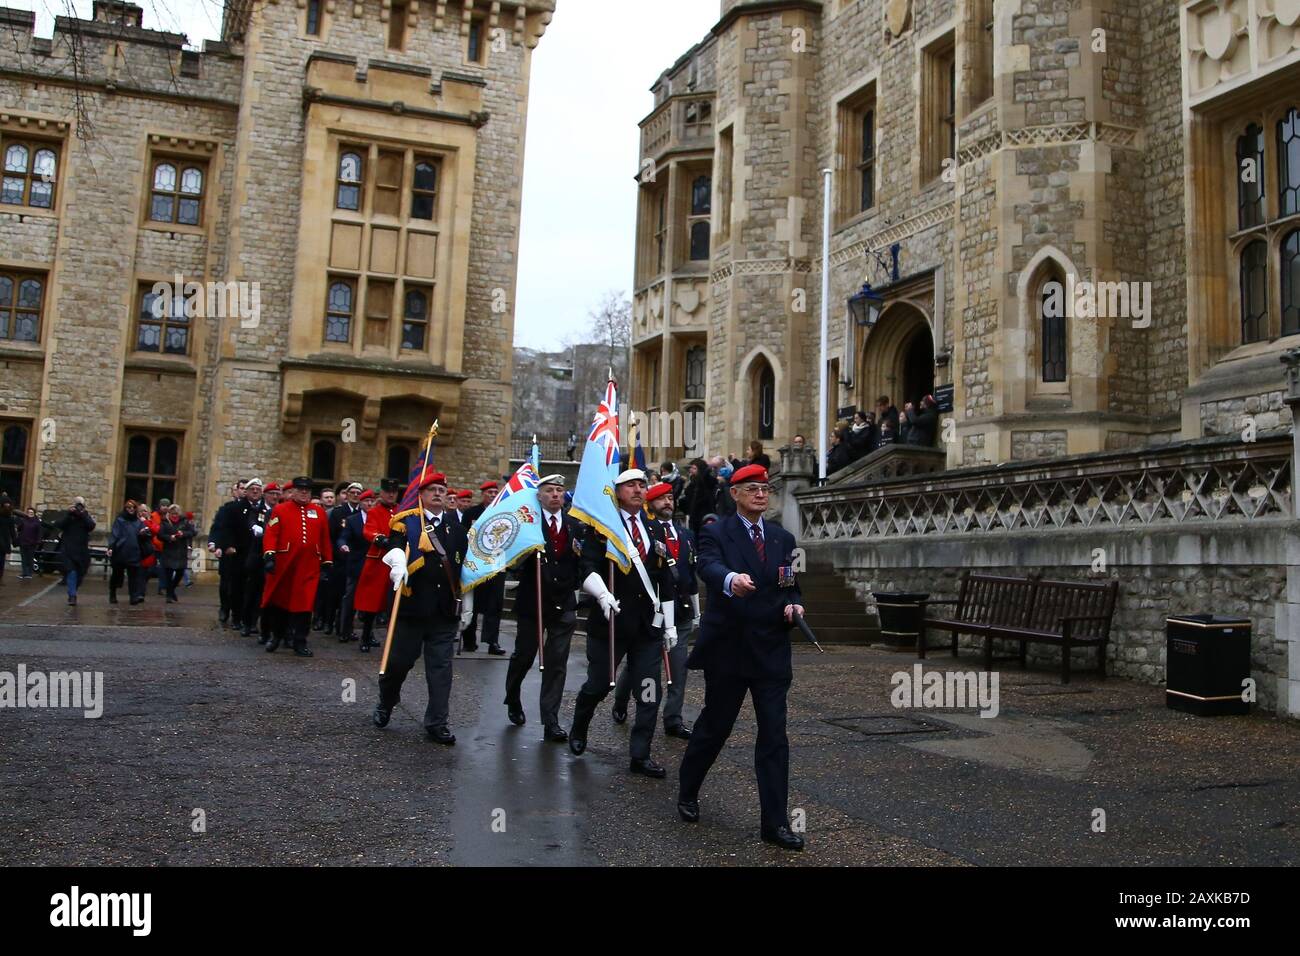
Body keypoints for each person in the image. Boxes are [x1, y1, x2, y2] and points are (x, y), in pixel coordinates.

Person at [677, 464, 806, 851]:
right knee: (716, 726)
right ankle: (688, 789)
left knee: (773, 736)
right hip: (730, 649)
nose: (762, 495)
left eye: (766, 489)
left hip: (770, 651)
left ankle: (775, 823)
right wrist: (732, 581)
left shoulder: (782, 538)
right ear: (734, 494)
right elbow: (709, 567)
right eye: (753, 489)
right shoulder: (716, 531)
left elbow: (790, 584)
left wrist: (794, 607)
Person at [566, 468, 678, 778]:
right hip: (610, 624)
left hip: (647, 628)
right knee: (598, 685)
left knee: (648, 692)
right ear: (617, 492)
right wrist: (601, 595)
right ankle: (580, 725)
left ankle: (640, 755)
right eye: (630, 485)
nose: (639, 489)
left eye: (642, 484)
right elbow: (586, 568)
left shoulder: (654, 530)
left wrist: (669, 624)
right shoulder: (602, 529)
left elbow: (665, 580)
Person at [373, 471, 470, 745]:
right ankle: (386, 701)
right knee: (398, 665)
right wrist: (397, 563)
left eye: (442, 489)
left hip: (443, 611)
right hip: (411, 608)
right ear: (421, 495)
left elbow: (464, 566)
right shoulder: (406, 523)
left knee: (440, 669)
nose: (438, 493)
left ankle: (437, 722)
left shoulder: (455, 529)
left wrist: (467, 603)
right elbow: (392, 546)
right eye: (432, 490)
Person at [612, 481, 698, 739]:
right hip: (651, 608)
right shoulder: (645, 531)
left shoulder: (685, 535)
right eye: (661, 499)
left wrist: (697, 611)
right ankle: (621, 700)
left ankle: (673, 718)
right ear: (650, 503)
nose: (668, 503)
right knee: (638, 667)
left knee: (678, 667)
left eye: (671, 498)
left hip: (679, 609)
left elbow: (690, 575)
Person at [503, 474, 582, 741]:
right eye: (549, 491)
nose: (555, 495)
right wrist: (526, 550)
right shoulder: (530, 526)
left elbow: (580, 563)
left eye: (560, 490)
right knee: (524, 656)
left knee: (556, 663)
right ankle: (512, 696)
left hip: (563, 604)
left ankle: (551, 721)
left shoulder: (574, 526)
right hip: (533, 602)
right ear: (540, 496)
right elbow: (512, 562)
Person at [261, 477, 333, 657]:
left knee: (305, 606)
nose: (304, 493)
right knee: (281, 604)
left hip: (309, 566)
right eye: (300, 489)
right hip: (286, 564)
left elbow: (325, 539)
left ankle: (300, 641)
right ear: (293, 491)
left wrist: (327, 562)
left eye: (307, 490)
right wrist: (269, 554)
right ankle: (277, 636)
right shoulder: (280, 509)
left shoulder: (318, 512)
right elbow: (272, 533)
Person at [352, 478, 402, 652]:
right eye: (388, 491)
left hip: (399, 561)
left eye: (394, 492)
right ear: (381, 493)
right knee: (372, 603)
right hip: (379, 560)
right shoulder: (374, 511)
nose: (390, 494)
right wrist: (379, 538)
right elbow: (368, 530)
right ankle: (366, 636)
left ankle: (393, 639)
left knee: (395, 602)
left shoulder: (401, 511)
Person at [460, 481, 505, 655]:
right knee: (473, 603)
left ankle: (492, 641)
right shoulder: (471, 513)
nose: (493, 495)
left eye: (495, 492)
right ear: (483, 494)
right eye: (489, 492)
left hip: (495, 563)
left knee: (494, 605)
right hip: (476, 564)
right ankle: (469, 640)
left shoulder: (502, 512)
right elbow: (464, 535)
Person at [320, 482, 363, 635]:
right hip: (339, 559)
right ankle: (328, 622)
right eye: (352, 492)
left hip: (354, 560)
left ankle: (345, 626)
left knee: (350, 596)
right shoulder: (337, 512)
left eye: (358, 493)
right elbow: (331, 537)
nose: (355, 495)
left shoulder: (363, 514)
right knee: (334, 593)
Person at [210, 480, 252, 628]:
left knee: (240, 586)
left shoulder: (252, 508)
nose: (242, 491)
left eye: (244, 489)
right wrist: (216, 544)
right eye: (240, 488)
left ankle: (238, 614)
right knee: (226, 583)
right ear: (235, 491)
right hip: (228, 551)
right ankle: (224, 608)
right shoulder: (226, 509)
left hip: (244, 552)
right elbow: (218, 528)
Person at [338, 490, 374, 644]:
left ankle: (368, 633)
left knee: (371, 601)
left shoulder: (378, 519)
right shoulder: (353, 520)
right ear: (361, 502)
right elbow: (343, 537)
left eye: (372, 501)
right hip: (357, 563)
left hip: (373, 565)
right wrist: (343, 546)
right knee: (350, 598)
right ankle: (345, 630)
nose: (370, 504)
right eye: (366, 501)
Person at [241, 480, 273, 640]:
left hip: (273, 558)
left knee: (265, 594)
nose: (274, 496)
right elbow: (252, 522)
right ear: (265, 495)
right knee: (252, 592)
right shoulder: (257, 509)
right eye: (271, 494)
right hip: (257, 557)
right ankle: (248, 623)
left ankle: (261, 623)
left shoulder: (280, 510)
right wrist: (255, 528)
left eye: (276, 494)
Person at [107, 499, 151, 606]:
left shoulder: (138, 522)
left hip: (134, 551)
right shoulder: (120, 520)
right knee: (117, 574)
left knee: (134, 576)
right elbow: (114, 534)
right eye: (128, 507)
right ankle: (113, 593)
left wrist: (143, 533)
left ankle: (133, 596)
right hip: (120, 552)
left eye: (133, 508)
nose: (131, 509)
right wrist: (111, 547)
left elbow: (146, 535)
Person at [56, 498, 95, 605]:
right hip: (68, 549)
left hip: (81, 551)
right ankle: (72, 595)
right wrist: (69, 514)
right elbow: (59, 524)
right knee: (71, 572)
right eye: (77, 505)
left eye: (80, 505)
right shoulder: (69, 516)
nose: (78, 507)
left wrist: (82, 514)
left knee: (80, 575)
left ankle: (73, 590)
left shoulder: (85, 516)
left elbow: (91, 526)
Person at [158, 504, 194, 603]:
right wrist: (169, 538)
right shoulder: (165, 523)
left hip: (180, 551)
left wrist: (183, 534)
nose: (174, 516)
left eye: (176, 514)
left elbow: (192, 532)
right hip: (169, 551)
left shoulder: (184, 522)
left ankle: (171, 590)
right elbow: (160, 535)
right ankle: (169, 596)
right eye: (172, 514)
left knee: (180, 573)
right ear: (169, 514)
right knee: (168, 574)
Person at [17, 505, 43, 579]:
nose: (30, 513)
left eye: (31, 512)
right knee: (23, 559)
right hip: (23, 542)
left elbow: (39, 533)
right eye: (29, 512)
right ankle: (24, 572)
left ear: (34, 513)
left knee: (30, 559)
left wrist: (38, 541)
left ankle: (29, 573)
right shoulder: (24, 520)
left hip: (31, 543)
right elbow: (19, 529)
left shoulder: (37, 522)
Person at [0, 493, 15, 583]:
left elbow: (12, 531)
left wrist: (15, 541)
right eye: (6, 503)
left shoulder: (10, 517)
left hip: (4, 542)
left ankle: (0, 577)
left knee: (1, 562)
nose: (7, 505)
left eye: (8, 503)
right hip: (2, 541)